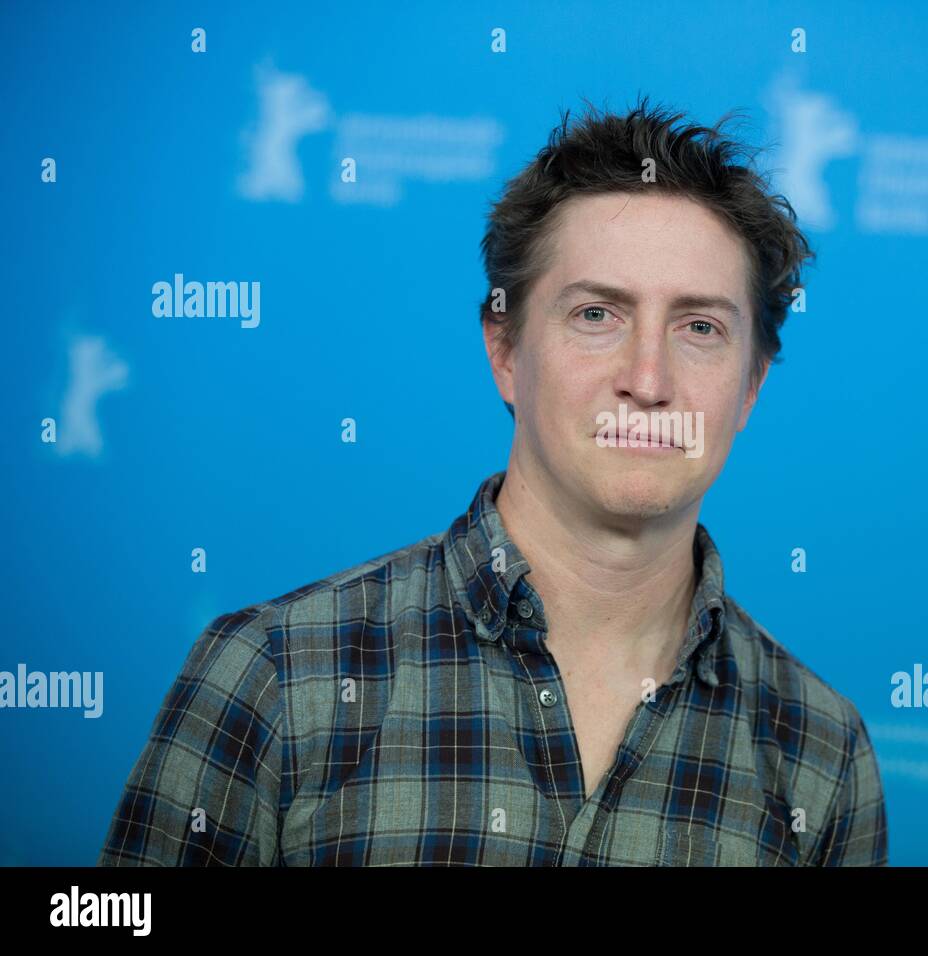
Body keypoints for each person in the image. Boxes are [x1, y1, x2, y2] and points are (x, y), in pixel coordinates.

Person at [98, 96, 887, 866]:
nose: (648, 379)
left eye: (701, 328)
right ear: (505, 351)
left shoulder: (820, 751)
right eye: (596, 315)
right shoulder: (275, 674)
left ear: (750, 385)